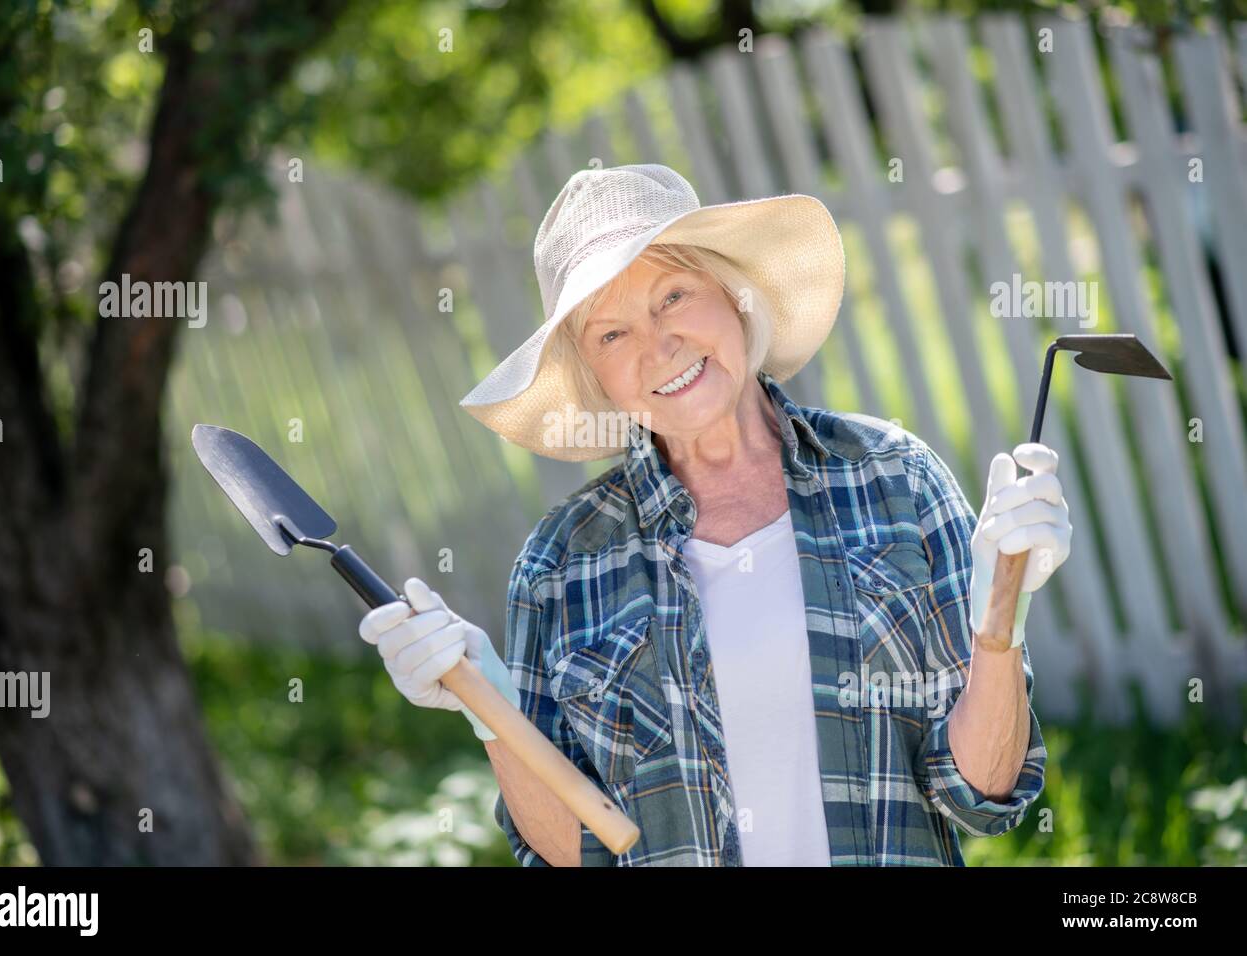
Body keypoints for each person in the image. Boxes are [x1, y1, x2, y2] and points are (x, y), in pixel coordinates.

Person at [359, 164, 1071, 866]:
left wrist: (998, 624)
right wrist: (492, 712)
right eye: (612, 335)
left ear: (735, 297)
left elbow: (981, 793)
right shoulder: (560, 565)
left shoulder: (893, 478)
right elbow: (578, 855)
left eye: (673, 295)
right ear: (592, 377)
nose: (658, 345)